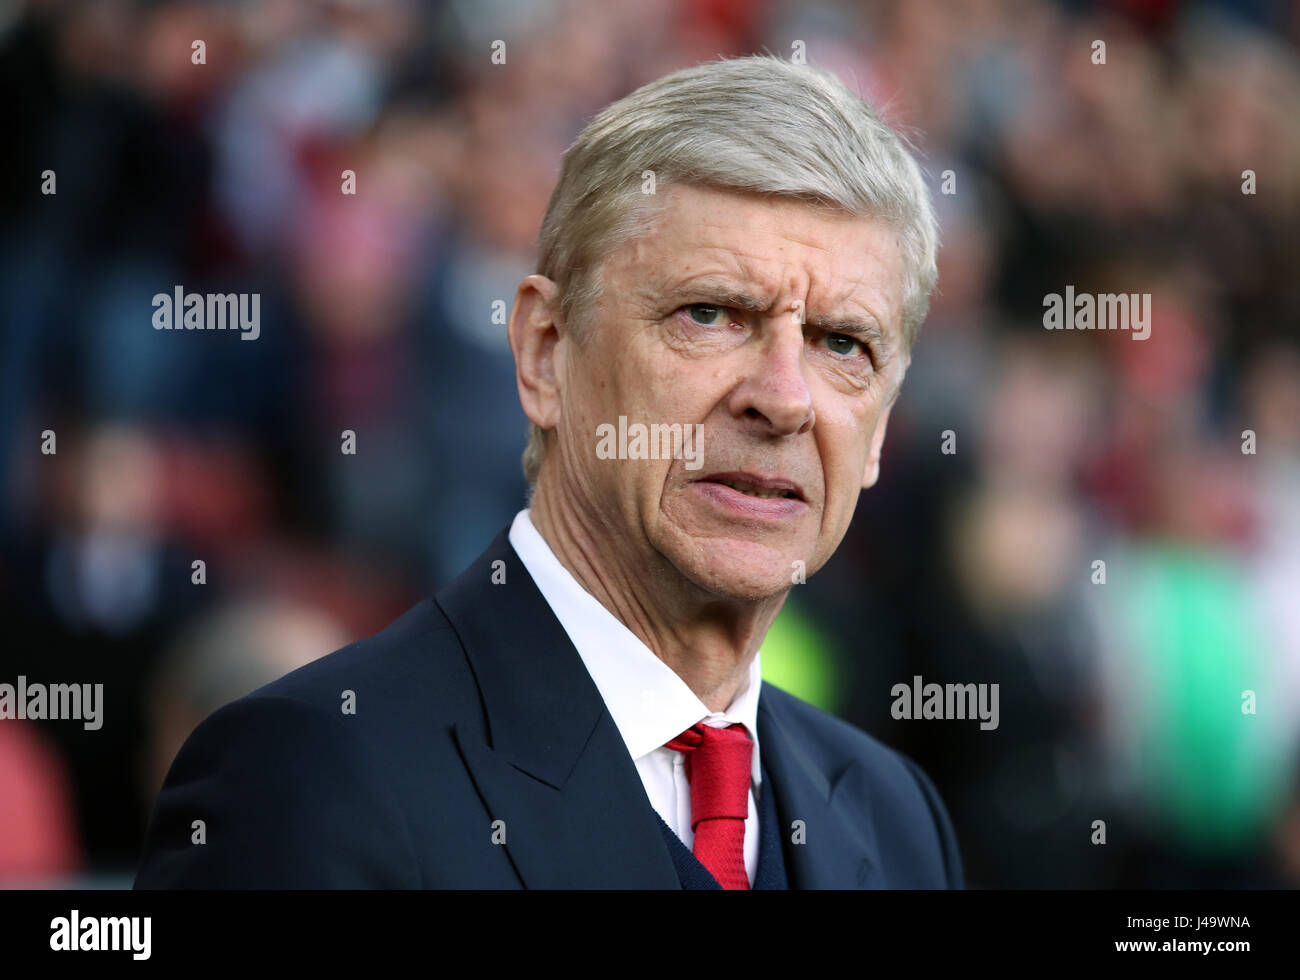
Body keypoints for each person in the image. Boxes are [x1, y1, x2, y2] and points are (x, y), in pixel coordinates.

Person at [134, 54, 963, 889]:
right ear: (544, 354)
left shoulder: (897, 820)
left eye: (842, 344)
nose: (783, 399)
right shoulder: (305, 778)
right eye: (709, 313)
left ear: (881, 430)